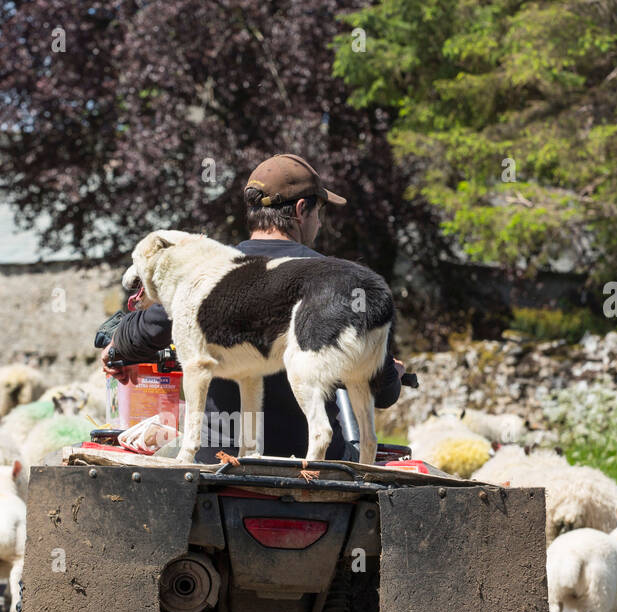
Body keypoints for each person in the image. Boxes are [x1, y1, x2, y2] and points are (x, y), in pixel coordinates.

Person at [99, 153, 404, 464]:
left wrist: (114, 347)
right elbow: (384, 392)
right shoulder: (335, 283)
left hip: (218, 461)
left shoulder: (209, 276)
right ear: (302, 210)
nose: (320, 222)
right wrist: (391, 370)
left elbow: (144, 331)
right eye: (319, 211)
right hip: (314, 465)